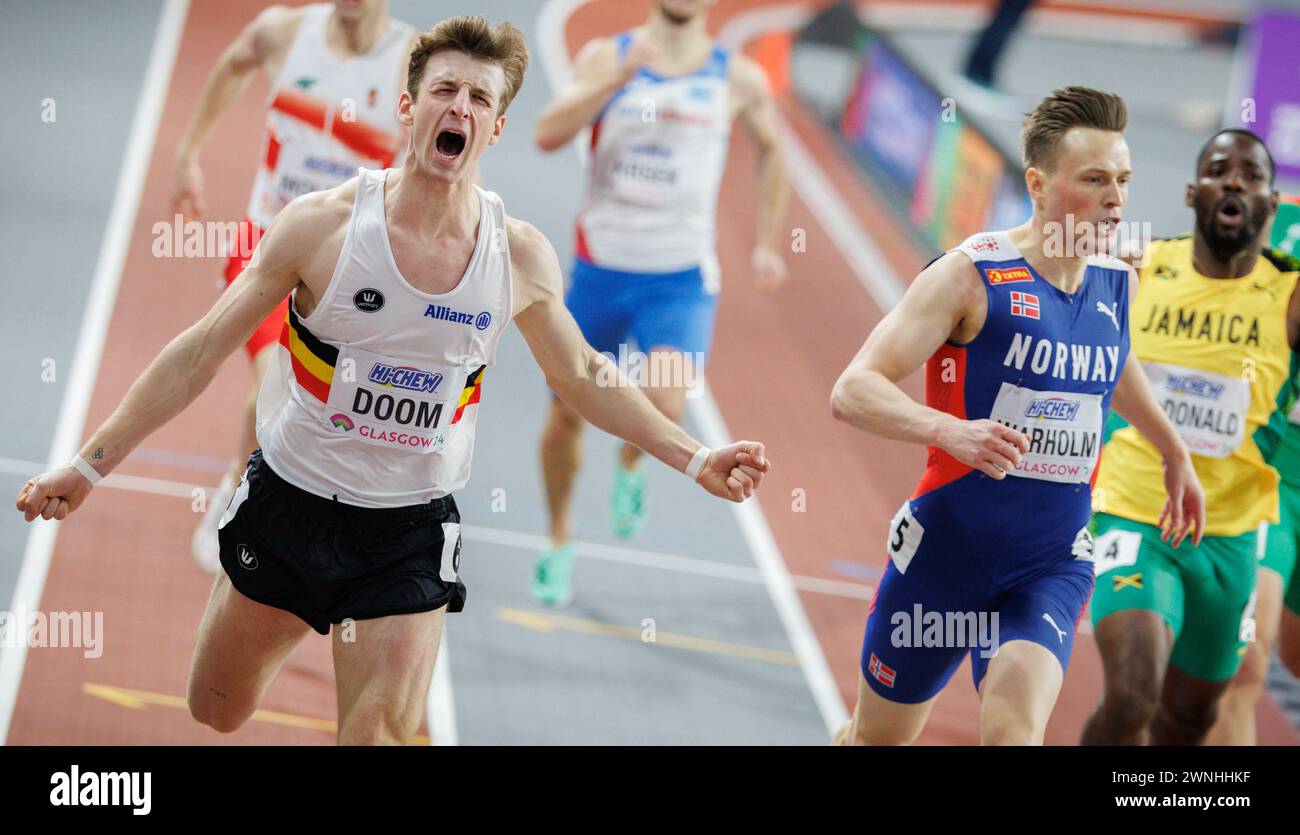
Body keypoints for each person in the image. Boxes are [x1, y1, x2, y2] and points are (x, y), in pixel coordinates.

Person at [16, 16, 770, 746]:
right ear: (408, 108)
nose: (460, 108)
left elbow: (582, 373)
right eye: (445, 90)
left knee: (376, 734)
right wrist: (88, 466)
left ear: (495, 128)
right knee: (215, 708)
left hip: (408, 532)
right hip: (291, 501)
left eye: (479, 98)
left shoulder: (517, 257)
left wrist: (695, 456)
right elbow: (199, 351)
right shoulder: (322, 227)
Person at [829, 87, 1204, 746]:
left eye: (1123, 180)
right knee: (874, 739)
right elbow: (853, 389)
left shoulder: (1117, 280)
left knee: (1015, 736)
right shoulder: (970, 276)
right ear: (1037, 184)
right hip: (946, 556)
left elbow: (1111, 363)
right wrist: (949, 430)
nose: (1116, 200)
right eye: (1094, 180)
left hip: (1050, 563)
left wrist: (1173, 448)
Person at [529, 0, 789, 607]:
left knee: (665, 403)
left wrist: (769, 242)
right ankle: (559, 538)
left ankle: (632, 456)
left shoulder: (737, 77)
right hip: (600, 271)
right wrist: (614, 81)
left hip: (679, 281)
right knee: (565, 419)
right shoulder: (607, 56)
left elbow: (774, 149)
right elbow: (547, 134)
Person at [171, 0, 416, 571]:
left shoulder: (412, 62)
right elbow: (233, 64)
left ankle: (298, 504)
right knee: (277, 379)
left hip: (348, 264)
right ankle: (236, 492)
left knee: (326, 400)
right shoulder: (283, 31)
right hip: (267, 242)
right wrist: (188, 153)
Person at [1086, 129, 1300, 746]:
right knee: (1132, 694)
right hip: (1134, 513)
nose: (1232, 181)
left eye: (1250, 175)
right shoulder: (1138, 267)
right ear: (1191, 191)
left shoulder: (1289, 294)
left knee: (1188, 720)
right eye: (1218, 169)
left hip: (1230, 536)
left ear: (1271, 203)